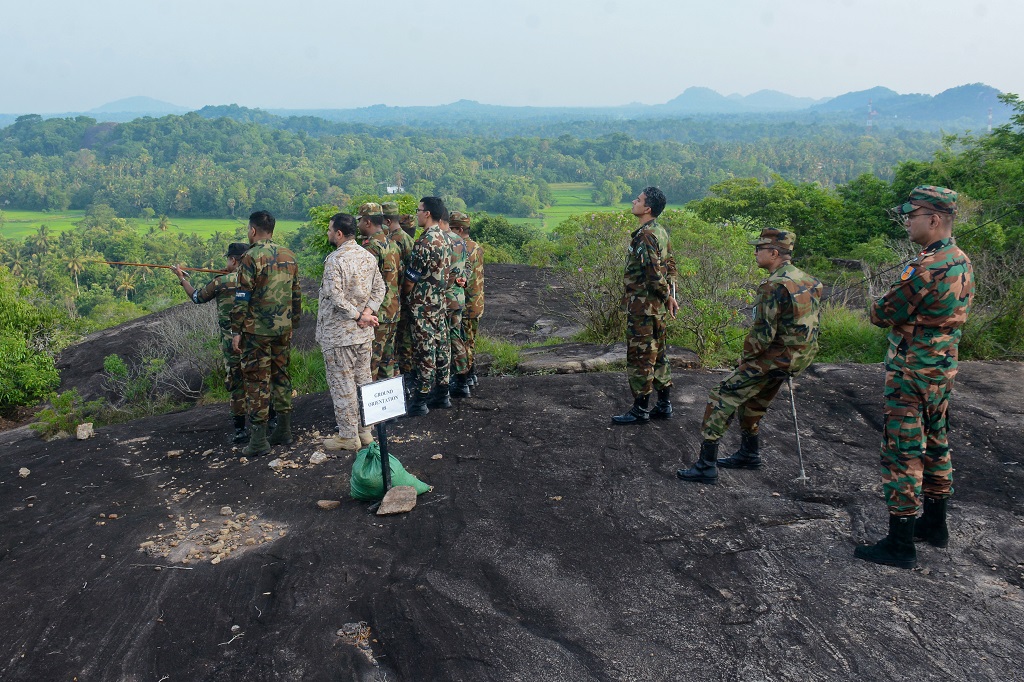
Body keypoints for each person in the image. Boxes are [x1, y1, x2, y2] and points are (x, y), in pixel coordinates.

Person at [855, 185, 974, 569]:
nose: (907, 221)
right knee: (937, 442)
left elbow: (882, 312)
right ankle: (935, 526)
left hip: (912, 372)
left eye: (913, 215)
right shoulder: (959, 259)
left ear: (934, 219)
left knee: (902, 452)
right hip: (942, 370)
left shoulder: (927, 266)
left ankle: (900, 543)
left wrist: (879, 304)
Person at [677, 228, 822, 484]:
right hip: (799, 357)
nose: (755, 253)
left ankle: (706, 465)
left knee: (721, 395)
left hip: (774, 357)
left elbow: (763, 333)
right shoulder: (808, 280)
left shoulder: (773, 285)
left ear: (774, 253)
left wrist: (746, 358)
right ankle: (749, 453)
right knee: (754, 400)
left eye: (760, 249)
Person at [230, 211, 302, 456]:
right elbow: (296, 294)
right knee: (281, 375)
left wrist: (236, 330)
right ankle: (284, 430)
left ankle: (259, 440)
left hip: (256, 331)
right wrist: (293, 324)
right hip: (283, 328)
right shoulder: (289, 255)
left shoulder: (250, 257)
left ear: (252, 231)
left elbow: (242, 298)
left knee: (257, 380)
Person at [316, 213, 385, 451]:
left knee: (342, 384)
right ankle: (365, 432)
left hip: (339, 335)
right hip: (362, 334)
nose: (328, 233)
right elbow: (380, 288)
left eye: (329, 230)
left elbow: (335, 297)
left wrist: (358, 316)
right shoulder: (367, 257)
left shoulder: (335, 260)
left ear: (339, 233)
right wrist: (367, 312)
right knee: (362, 381)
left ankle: (348, 436)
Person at [611, 186, 679, 424]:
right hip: (656, 307)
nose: (634, 201)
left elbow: (652, 273)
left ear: (647, 208)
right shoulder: (659, 231)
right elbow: (671, 265)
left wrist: (665, 295)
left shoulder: (646, 235)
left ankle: (640, 409)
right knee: (658, 354)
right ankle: (664, 404)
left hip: (643, 307)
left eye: (638, 200)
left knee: (640, 356)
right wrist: (670, 295)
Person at [173, 242, 250, 443]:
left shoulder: (221, 282)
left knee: (237, 383)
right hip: (257, 339)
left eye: (228, 259)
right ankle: (271, 421)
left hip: (231, 341)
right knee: (261, 379)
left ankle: (241, 430)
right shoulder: (258, 280)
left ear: (233, 260)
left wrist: (182, 279)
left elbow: (197, 297)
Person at [403, 196, 451, 416]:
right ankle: (442, 394)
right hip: (439, 302)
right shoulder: (446, 238)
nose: (417, 214)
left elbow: (411, 278)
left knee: (425, 351)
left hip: (422, 306)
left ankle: (421, 398)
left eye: (419, 210)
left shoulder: (424, 242)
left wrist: (405, 296)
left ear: (427, 213)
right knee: (442, 347)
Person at [357, 203, 402, 380]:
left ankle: (370, 405)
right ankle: (392, 405)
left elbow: (364, 285)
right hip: (393, 312)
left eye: (360, 220)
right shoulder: (393, 245)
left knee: (371, 363)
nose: (358, 224)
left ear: (368, 222)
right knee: (389, 361)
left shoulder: (370, 248)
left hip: (376, 315)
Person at [451, 212, 484, 387]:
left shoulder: (463, 248)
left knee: (463, 343)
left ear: (460, 229)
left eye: (452, 228)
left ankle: (465, 378)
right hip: (476, 302)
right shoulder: (476, 246)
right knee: (469, 341)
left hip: (467, 303)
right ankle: (470, 375)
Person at [440, 211, 470, 399]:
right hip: (458, 297)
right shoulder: (460, 241)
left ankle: (457, 380)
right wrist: (463, 280)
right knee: (456, 336)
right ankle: (463, 380)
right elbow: (466, 268)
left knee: (448, 339)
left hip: (446, 298)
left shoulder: (443, 240)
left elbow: (444, 272)